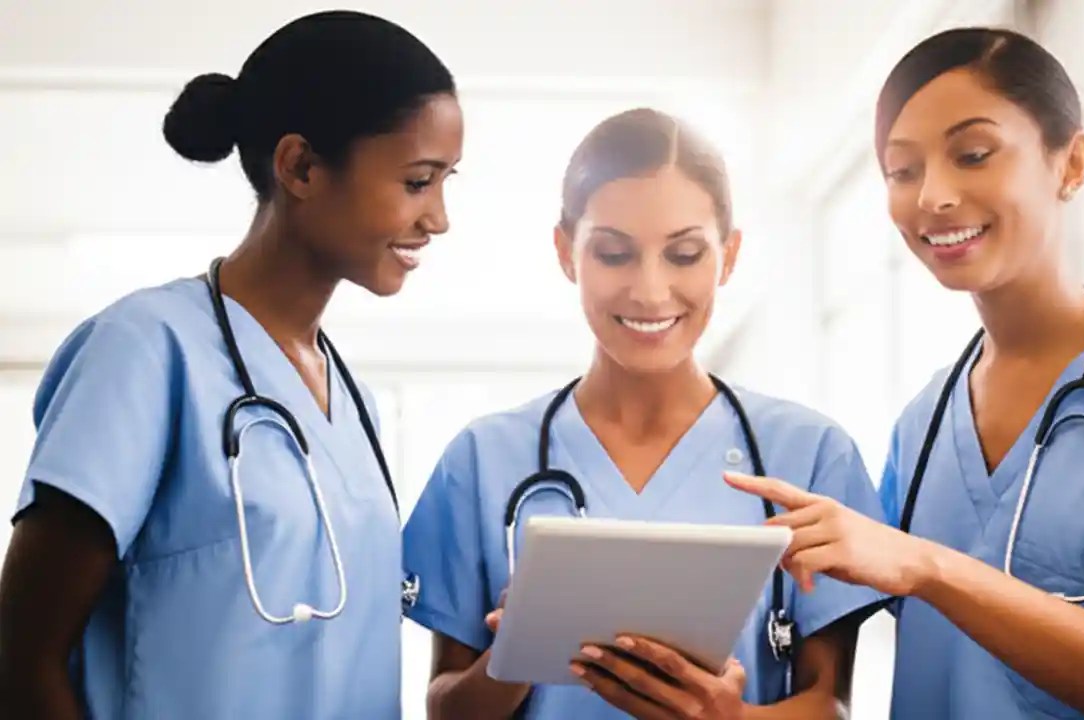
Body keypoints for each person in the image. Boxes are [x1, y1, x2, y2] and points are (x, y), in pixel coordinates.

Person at [726, 26, 1084, 719]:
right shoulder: (924, 425)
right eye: (903, 171)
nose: (934, 195)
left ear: (1071, 162)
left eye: (974, 154)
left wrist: (929, 566)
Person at [0, 10, 462, 719]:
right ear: (301, 166)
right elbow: (21, 658)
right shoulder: (146, 349)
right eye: (417, 182)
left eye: (444, 183)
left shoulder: (354, 401)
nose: (438, 218)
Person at [401, 107, 885, 719]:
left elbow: (831, 706)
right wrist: (517, 653)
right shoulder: (483, 459)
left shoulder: (809, 454)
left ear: (729, 256)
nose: (650, 291)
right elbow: (444, 710)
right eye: (613, 253)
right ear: (565, 252)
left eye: (684, 254)